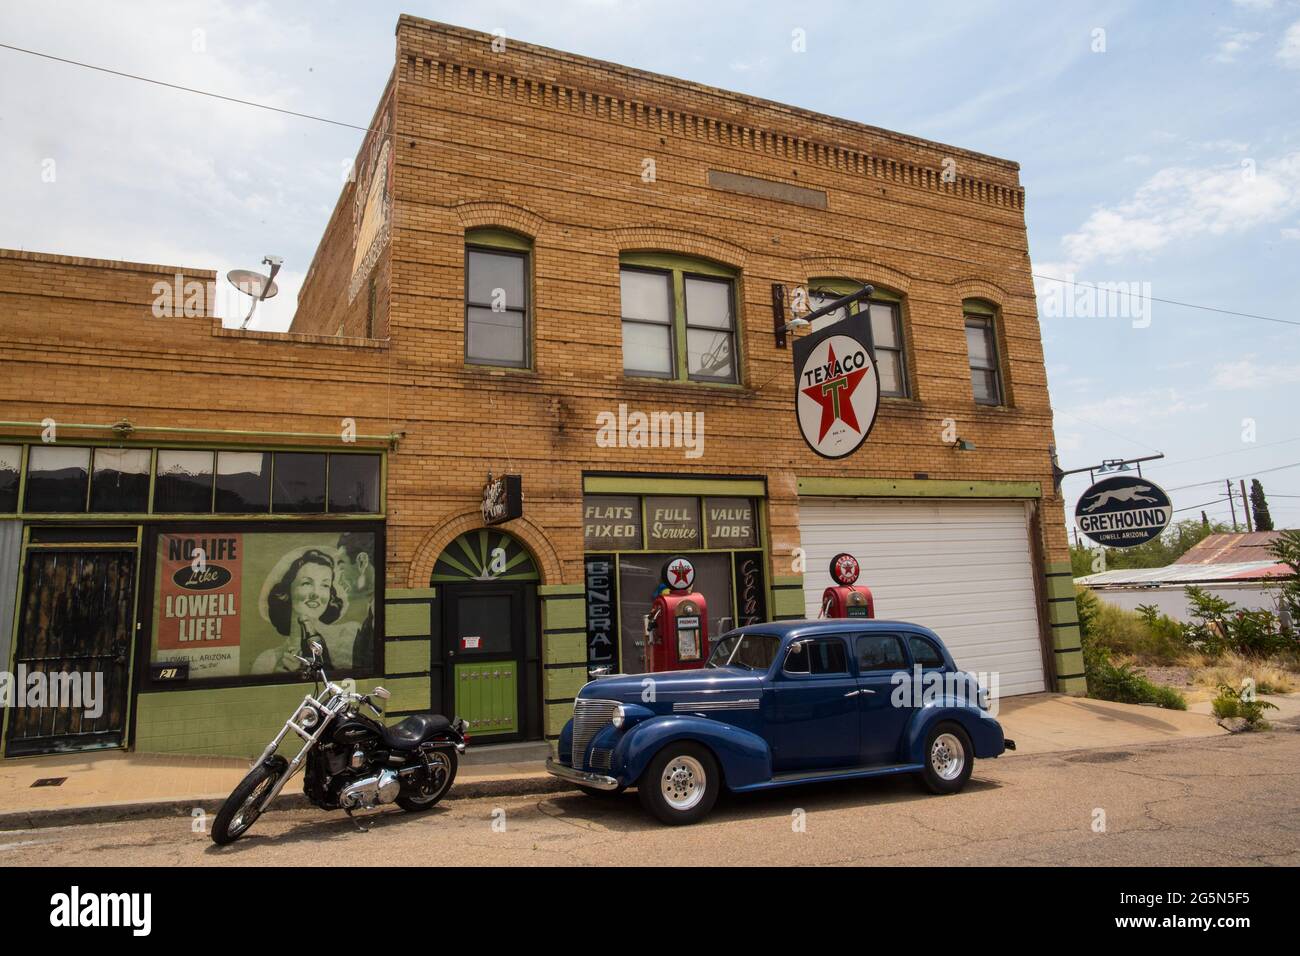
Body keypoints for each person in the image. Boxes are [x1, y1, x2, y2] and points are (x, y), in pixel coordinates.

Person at [251, 549, 360, 675]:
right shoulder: (268, 661)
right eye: (306, 583)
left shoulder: (348, 635)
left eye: (325, 585)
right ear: (288, 591)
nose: (316, 593)